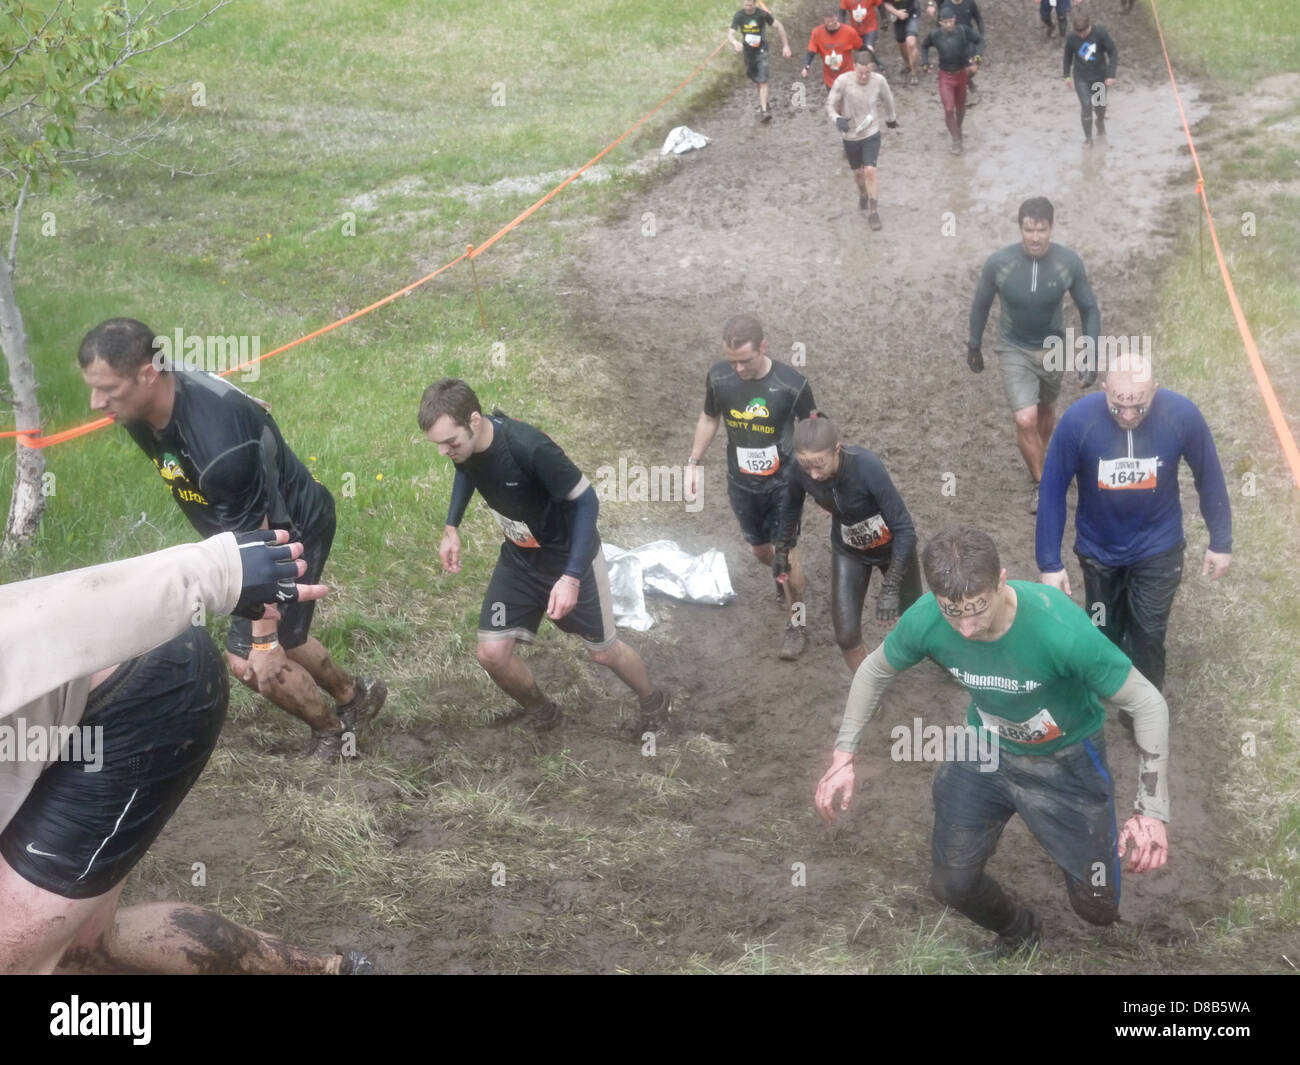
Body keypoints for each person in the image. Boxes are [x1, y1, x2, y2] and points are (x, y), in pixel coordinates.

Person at [0, 529, 378, 974]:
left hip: (139, 688)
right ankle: (331, 972)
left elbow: (33, 621)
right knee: (87, 944)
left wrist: (213, 573)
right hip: (84, 710)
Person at [815, 526, 1170, 956]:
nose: (964, 628)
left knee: (1097, 907)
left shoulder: (1060, 629)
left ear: (1001, 581)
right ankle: (1020, 930)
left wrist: (1151, 809)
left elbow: (1148, 704)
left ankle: (1084, 852)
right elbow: (874, 670)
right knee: (952, 883)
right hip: (982, 749)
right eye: (952, 613)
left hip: (1067, 760)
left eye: (977, 610)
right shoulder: (928, 618)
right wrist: (842, 755)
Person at [78, 318, 387, 761]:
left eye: (107, 389)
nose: (95, 402)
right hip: (247, 527)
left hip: (288, 532)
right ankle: (355, 696)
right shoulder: (143, 401)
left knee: (249, 660)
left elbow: (263, 547)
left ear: (147, 375)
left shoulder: (221, 451)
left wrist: (263, 640)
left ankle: (334, 733)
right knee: (290, 636)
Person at [419, 379, 673, 737]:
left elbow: (587, 502)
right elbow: (466, 470)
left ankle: (655, 702)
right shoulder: (466, 449)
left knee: (603, 652)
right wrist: (451, 527)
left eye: (450, 443)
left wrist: (570, 578)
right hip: (519, 560)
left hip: (571, 560)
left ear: (474, 420)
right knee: (491, 654)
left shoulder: (529, 447)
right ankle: (544, 711)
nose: (445, 452)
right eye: (439, 445)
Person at [1036, 354, 1232, 696]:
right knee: (1101, 627)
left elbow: (1209, 476)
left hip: (1159, 549)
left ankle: (1146, 710)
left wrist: (1221, 540)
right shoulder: (1078, 422)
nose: (1128, 415)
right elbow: (1052, 489)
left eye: (1139, 406)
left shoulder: (1181, 415)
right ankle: (1105, 685)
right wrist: (1049, 563)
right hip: (1099, 553)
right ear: (1105, 390)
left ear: (1154, 392)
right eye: (1118, 406)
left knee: (1149, 632)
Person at [687, 315, 818, 660]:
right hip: (741, 482)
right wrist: (693, 463)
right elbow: (709, 417)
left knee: (785, 554)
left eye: (745, 360)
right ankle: (783, 577)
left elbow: (815, 428)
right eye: (733, 361)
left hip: (784, 482)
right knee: (761, 552)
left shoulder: (792, 384)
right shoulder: (719, 376)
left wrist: (818, 472)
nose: (739, 369)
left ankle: (797, 624)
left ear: (763, 347)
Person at [967, 196, 1100, 512]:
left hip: (1053, 348)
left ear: (1051, 228)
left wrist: (1090, 353)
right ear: (1020, 228)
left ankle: (1042, 459)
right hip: (1014, 346)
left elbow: (1089, 308)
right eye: (1029, 230)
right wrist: (973, 345)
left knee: (1044, 411)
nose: (1035, 237)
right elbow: (981, 304)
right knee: (1024, 419)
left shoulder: (1068, 262)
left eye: (1041, 230)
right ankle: (1045, 483)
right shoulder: (1000, 263)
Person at [776, 414, 921, 673]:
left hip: (893, 548)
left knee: (917, 621)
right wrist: (781, 549)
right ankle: (868, 689)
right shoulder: (800, 471)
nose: (814, 475)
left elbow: (905, 530)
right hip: (850, 551)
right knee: (845, 635)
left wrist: (891, 586)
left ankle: (955, 664)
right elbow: (789, 509)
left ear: (837, 450)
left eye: (819, 465)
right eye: (806, 466)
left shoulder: (867, 467)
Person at [826, 51, 900, 227]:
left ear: (872, 68)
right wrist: (837, 119)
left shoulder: (879, 81)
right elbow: (829, 104)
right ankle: (862, 194)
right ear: (854, 68)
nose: (864, 76)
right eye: (860, 72)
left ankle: (874, 213)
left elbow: (888, 99)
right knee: (858, 173)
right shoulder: (843, 81)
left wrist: (891, 117)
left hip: (871, 132)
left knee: (870, 171)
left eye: (867, 72)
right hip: (851, 135)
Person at [920, 6, 981, 154]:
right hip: (945, 76)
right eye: (945, 22)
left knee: (961, 107)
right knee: (948, 109)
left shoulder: (963, 31)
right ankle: (955, 140)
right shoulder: (935, 35)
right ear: (940, 22)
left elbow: (979, 40)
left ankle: (958, 128)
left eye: (950, 21)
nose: (948, 25)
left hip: (961, 75)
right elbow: (924, 46)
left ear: (955, 20)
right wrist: (925, 63)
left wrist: (977, 57)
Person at [729, 0, 794, 121]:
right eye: (745, 4)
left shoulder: (762, 14)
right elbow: (730, 33)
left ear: (755, 4)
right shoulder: (739, 15)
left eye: (749, 5)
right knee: (757, 80)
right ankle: (764, 102)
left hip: (761, 51)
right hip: (748, 53)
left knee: (763, 79)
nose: (747, 7)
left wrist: (785, 45)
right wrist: (734, 42)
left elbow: (778, 26)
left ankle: (764, 110)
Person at [1062, 12, 1118, 145]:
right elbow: (1067, 56)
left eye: (1083, 32)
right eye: (1078, 33)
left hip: (1099, 75)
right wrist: (1066, 75)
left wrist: (1111, 74)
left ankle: (1100, 121)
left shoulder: (1100, 33)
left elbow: (1113, 52)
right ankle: (1088, 138)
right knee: (1086, 105)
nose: (1081, 35)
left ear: (1089, 27)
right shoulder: (1071, 38)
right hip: (1081, 76)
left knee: (1099, 105)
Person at [925, 0, 984, 100]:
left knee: (973, 69)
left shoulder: (970, 3)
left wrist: (981, 35)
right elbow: (940, 25)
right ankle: (961, 89)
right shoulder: (945, 5)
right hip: (953, 41)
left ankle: (965, 81)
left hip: (968, 40)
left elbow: (979, 19)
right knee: (959, 68)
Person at [802, 7, 864, 91]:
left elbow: (860, 47)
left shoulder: (849, 31)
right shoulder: (817, 33)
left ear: (837, 17)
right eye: (827, 22)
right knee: (834, 103)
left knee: (849, 102)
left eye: (833, 21)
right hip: (830, 79)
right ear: (824, 20)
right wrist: (806, 66)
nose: (830, 24)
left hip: (848, 76)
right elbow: (811, 52)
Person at [882, 0, 922, 84]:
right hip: (898, 15)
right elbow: (885, 3)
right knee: (901, 43)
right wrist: (896, 12)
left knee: (911, 42)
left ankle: (914, 74)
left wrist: (930, 4)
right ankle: (908, 65)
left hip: (913, 11)